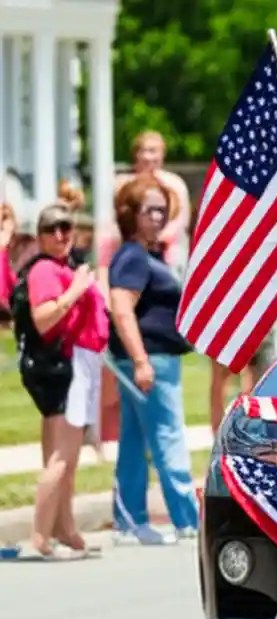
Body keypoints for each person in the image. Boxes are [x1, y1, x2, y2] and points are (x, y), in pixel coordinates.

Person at [11, 204, 109, 559]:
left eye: (65, 228)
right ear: (40, 237)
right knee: (62, 458)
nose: (60, 235)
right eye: (51, 230)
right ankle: (39, 535)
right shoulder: (46, 271)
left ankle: (65, 530)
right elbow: (43, 318)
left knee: (63, 457)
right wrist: (77, 290)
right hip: (61, 372)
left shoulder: (61, 266)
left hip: (66, 368)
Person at [107, 175, 200, 544]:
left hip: (148, 360)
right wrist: (142, 360)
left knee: (133, 442)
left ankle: (129, 521)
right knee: (168, 437)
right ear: (131, 214)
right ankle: (188, 520)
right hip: (150, 360)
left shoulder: (146, 254)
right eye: (151, 210)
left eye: (163, 209)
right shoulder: (132, 256)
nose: (159, 216)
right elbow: (121, 308)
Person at [99, 131, 192, 283]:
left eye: (154, 151)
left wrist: (158, 238)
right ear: (136, 154)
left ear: (162, 155)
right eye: (144, 151)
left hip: (167, 255)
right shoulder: (122, 184)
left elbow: (181, 222)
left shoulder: (174, 184)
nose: (149, 157)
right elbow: (113, 221)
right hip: (129, 250)